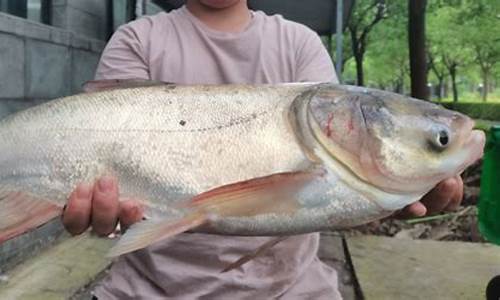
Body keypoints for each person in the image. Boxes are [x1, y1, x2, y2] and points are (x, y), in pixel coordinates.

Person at [62, 0, 465, 298]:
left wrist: (389, 189)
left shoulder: (299, 43)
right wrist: (105, 207)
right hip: (145, 290)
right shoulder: (137, 39)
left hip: (294, 289)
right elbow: (114, 184)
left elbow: (335, 187)